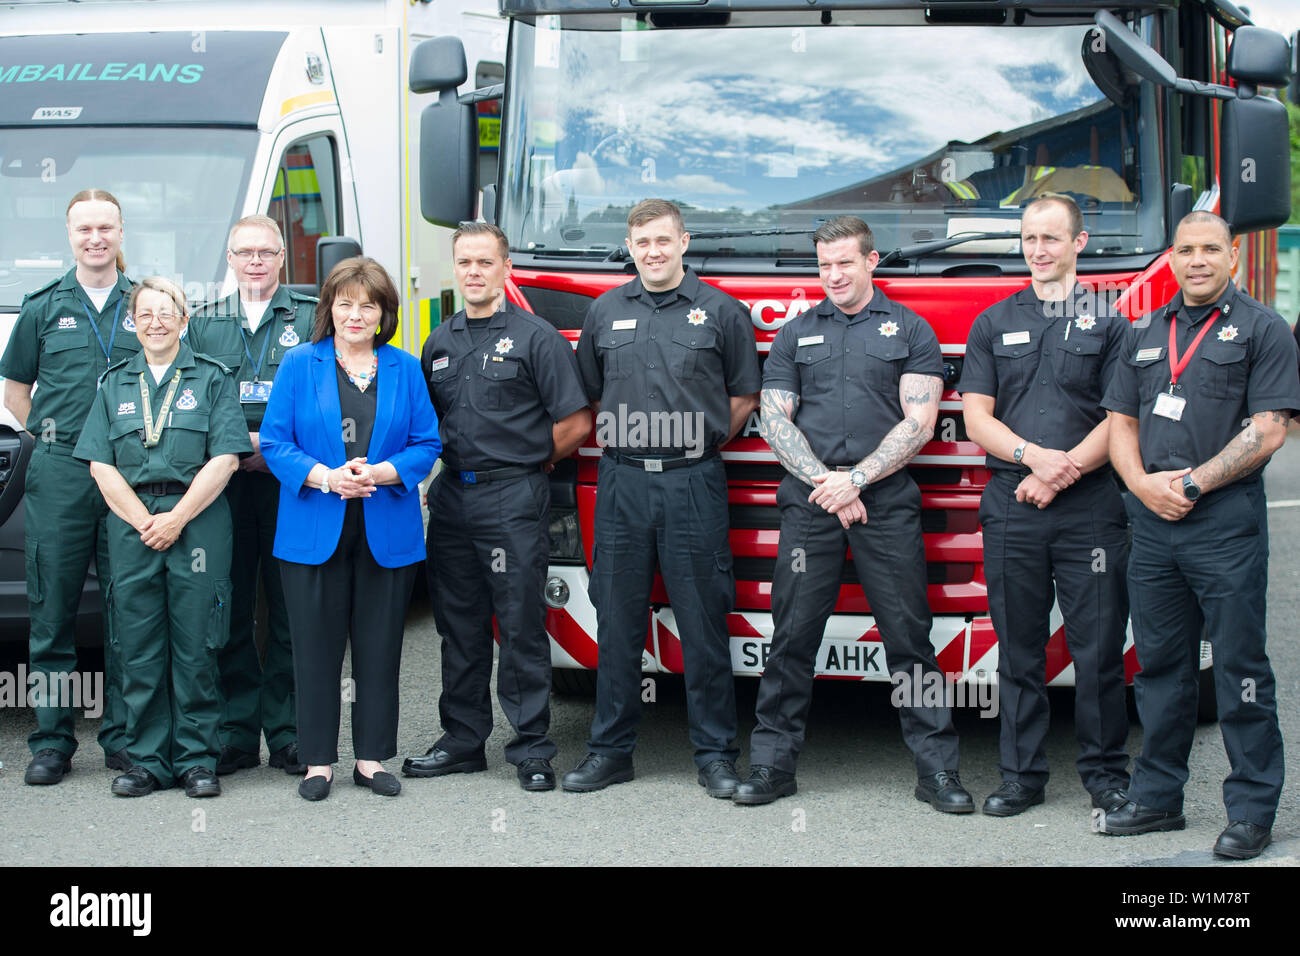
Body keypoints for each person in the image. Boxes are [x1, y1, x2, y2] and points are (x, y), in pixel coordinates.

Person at [733, 215, 969, 811]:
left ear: (871, 261)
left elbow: (919, 423)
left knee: (909, 637)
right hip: (811, 502)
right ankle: (770, 766)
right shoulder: (794, 334)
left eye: (844, 262)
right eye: (823, 264)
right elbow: (775, 417)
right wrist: (827, 482)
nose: (833, 275)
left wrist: (857, 479)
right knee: (790, 636)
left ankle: (937, 772)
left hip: (885, 502)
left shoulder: (909, 330)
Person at [1100, 211, 1300, 860]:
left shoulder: (1264, 330)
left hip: (1224, 524)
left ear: (1233, 257)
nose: (1197, 261)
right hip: (1152, 526)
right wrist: (1140, 486)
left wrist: (1191, 485)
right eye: (1185, 250)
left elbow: (1270, 429)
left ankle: (1250, 811)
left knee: (1240, 668)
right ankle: (1158, 798)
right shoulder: (1145, 332)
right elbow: (1120, 422)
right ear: (1171, 258)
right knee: (1159, 668)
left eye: (1210, 249)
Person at [565, 199, 760, 797]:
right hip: (622, 481)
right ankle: (610, 751)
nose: (652, 251)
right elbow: (591, 396)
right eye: (642, 241)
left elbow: (743, 398)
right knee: (617, 617)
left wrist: (691, 444)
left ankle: (716, 755)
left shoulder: (722, 312)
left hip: (693, 482)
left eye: (663, 240)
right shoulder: (604, 311)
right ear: (631, 246)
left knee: (703, 620)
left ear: (683, 242)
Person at [958, 194, 1131, 818]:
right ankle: (1021, 775)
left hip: (1090, 508)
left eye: (1052, 239)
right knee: (1020, 651)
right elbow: (976, 418)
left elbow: (1121, 420)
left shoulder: (1112, 322)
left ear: (1079, 244)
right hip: (1012, 506)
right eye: (1030, 238)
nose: (1039, 250)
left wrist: (1060, 475)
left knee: (1099, 650)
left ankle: (1107, 775)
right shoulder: (992, 321)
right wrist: (1034, 458)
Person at [404, 223, 591, 792]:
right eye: (464, 262)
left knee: (518, 624)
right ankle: (462, 740)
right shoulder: (438, 344)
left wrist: (532, 462)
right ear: (455, 269)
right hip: (453, 497)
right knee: (458, 626)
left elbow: (577, 422)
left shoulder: (537, 338)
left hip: (512, 495)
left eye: (485, 262)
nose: (474, 272)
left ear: (505, 268)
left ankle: (532, 748)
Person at [259, 257, 441, 801]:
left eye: (368, 304)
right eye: (345, 303)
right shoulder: (299, 364)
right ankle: (317, 762)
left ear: (385, 312)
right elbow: (274, 442)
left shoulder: (405, 368)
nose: (356, 314)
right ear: (329, 308)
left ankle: (370, 758)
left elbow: (427, 444)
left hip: (386, 525)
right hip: (314, 525)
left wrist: (384, 473)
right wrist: (326, 477)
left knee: (379, 647)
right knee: (313, 647)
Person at [73, 277, 251, 797]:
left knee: (198, 642)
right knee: (138, 645)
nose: (155, 321)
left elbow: (226, 459)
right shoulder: (113, 383)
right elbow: (100, 466)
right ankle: (147, 759)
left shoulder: (212, 378)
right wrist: (143, 520)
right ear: (132, 323)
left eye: (166, 312)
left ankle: (197, 758)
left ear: (184, 320)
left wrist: (176, 518)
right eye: (144, 313)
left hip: (196, 516)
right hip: (132, 521)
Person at [1, 188, 137, 785]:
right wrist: (53, 439)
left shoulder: (147, 302)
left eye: (105, 227)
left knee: (128, 607)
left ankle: (125, 737)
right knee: (51, 610)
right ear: (70, 235)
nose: (95, 238)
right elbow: (15, 389)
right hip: (59, 473)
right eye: (84, 229)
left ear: (120, 232)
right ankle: (52, 741)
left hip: (132, 471)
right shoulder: (41, 306)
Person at [189, 215, 317, 778]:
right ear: (230, 257)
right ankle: (236, 735)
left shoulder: (313, 318)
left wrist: (281, 448)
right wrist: (232, 449)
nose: (256, 261)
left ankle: (288, 734)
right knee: (231, 605)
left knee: (290, 606)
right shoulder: (203, 323)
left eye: (267, 252)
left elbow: (326, 395)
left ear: (283, 257)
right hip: (223, 485)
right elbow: (191, 399)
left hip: (294, 484)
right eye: (246, 252)